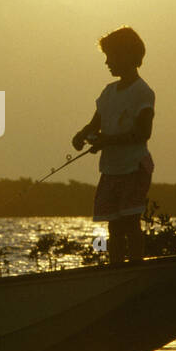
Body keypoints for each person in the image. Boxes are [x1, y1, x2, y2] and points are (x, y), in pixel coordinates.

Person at [71, 26, 154, 264]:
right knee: (114, 227)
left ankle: (136, 267)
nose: (107, 62)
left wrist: (107, 141)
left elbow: (143, 133)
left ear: (128, 57)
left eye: (111, 57)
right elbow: (94, 124)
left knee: (130, 222)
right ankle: (116, 268)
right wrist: (82, 135)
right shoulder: (108, 93)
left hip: (133, 168)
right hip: (111, 169)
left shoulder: (143, 92)